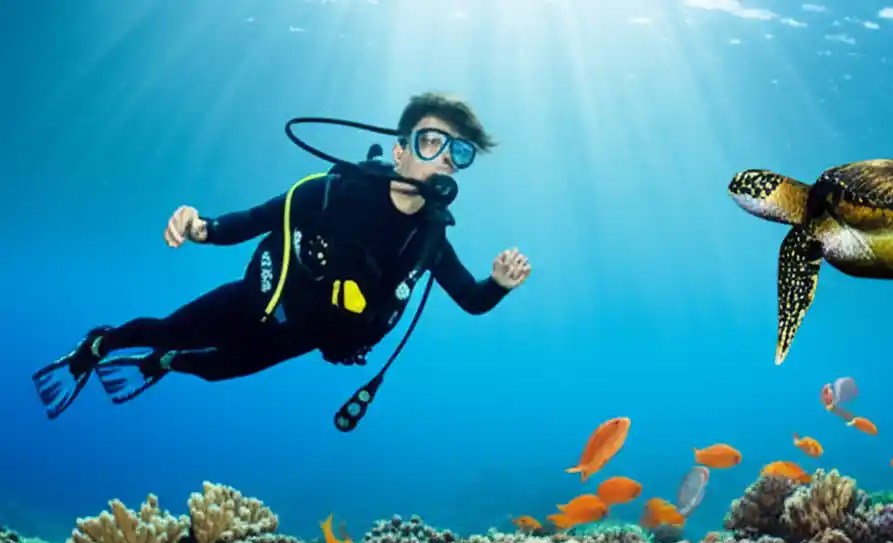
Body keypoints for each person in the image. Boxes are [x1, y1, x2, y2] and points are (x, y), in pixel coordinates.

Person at [34, 92, 531, 419]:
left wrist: (499, 285)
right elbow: (251, 220)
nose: (444, 156)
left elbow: (471, 299)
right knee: (168, 328)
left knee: (212, 369)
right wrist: (198, 226)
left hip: (300, 338)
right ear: (400, 150)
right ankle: (94, 347)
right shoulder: (333, 193)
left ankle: (159, 365)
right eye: (430, 141)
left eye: (458, 152)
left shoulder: (431, 241)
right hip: (257, 299)